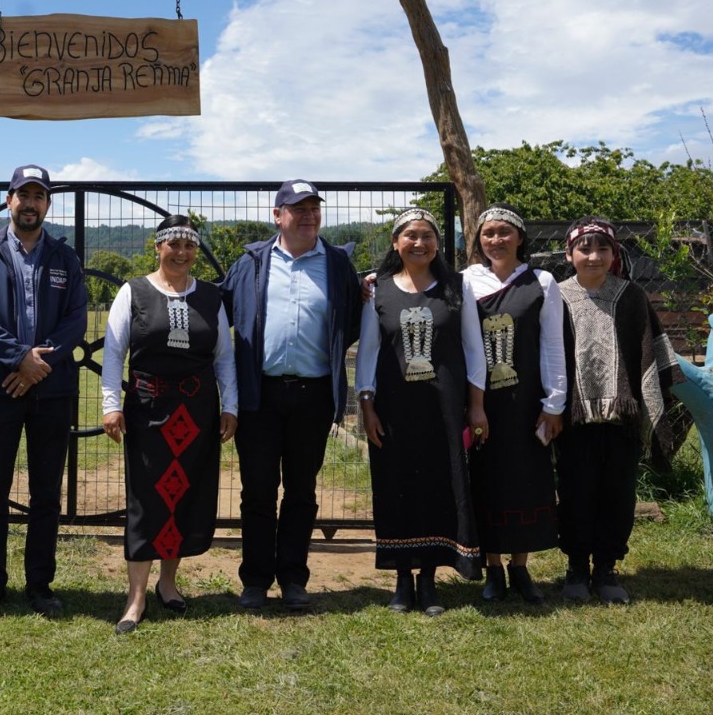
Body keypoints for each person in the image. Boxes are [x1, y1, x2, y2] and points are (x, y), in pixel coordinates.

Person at [221, 179, 362, 611]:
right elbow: (221, 312)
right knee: (258, 491)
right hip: (259, 395)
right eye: (296, 208)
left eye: (313, 208)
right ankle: (256, 581)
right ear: (277, 215)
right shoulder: (250, 263)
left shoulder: (338, 264)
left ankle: (294, 579)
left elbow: (352, 322)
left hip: (314, 395)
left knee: (302, 490)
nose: (307, 215)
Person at [0, 164, 88, 622]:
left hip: (50, 392)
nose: (30, 203)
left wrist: (40, 365)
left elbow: (76, 319)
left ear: (47, 204)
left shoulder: (64, 257)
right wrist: (19, 359)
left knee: (46, 494)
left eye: (39, 196)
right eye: (23, 195)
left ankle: (40, 584)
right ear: (8, 200)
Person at [101, 215, 239, 633]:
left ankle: (169, 584)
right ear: (157, 247)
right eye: (173, 244)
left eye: (189, 246)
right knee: (148, 497)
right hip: (147, 408)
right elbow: (113, 352)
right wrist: (111, 404)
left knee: (182, 493)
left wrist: (230, 404)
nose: (181, 253)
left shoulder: (211, 297)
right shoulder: (134, 292)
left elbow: (224, 357)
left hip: (196, 410)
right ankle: (135, 598)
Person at [355, 208, 486, 616]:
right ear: (396, 242)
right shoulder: (378, 292)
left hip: (444, 407)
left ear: (437, 244)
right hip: (395, 407)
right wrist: (367, 407)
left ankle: (427, 580)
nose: (419, 243)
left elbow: (473, 349)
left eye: (427, 235)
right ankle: (400, 578)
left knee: (438, 485)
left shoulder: (456, 288)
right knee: (395, 485)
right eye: (410, 235)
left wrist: (476, 406)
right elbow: (368, 352)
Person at [556, 216, 678, 605]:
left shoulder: (632, 297)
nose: (593, 256)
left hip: (622, 421)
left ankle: (606, 568)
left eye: (602, 248)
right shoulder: (555, 298)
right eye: (584, 248)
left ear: (615, 253)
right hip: (572, 418)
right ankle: (576, 567)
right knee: (575, 492)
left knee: (617, 493)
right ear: (569, 253)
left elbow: (651, 350)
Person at [463, 204, 567, 604]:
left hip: (527, 402)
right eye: (488, 233)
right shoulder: (466, 281)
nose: (496, 240)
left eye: (505, 232)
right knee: (486, 480)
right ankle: (492, 568)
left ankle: (520, 568)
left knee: (527, 480)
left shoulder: (541, 282)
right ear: (479, 239)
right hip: (481, 402)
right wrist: (371, 281)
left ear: (520, 237)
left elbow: (553, 345)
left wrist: (554, 402)